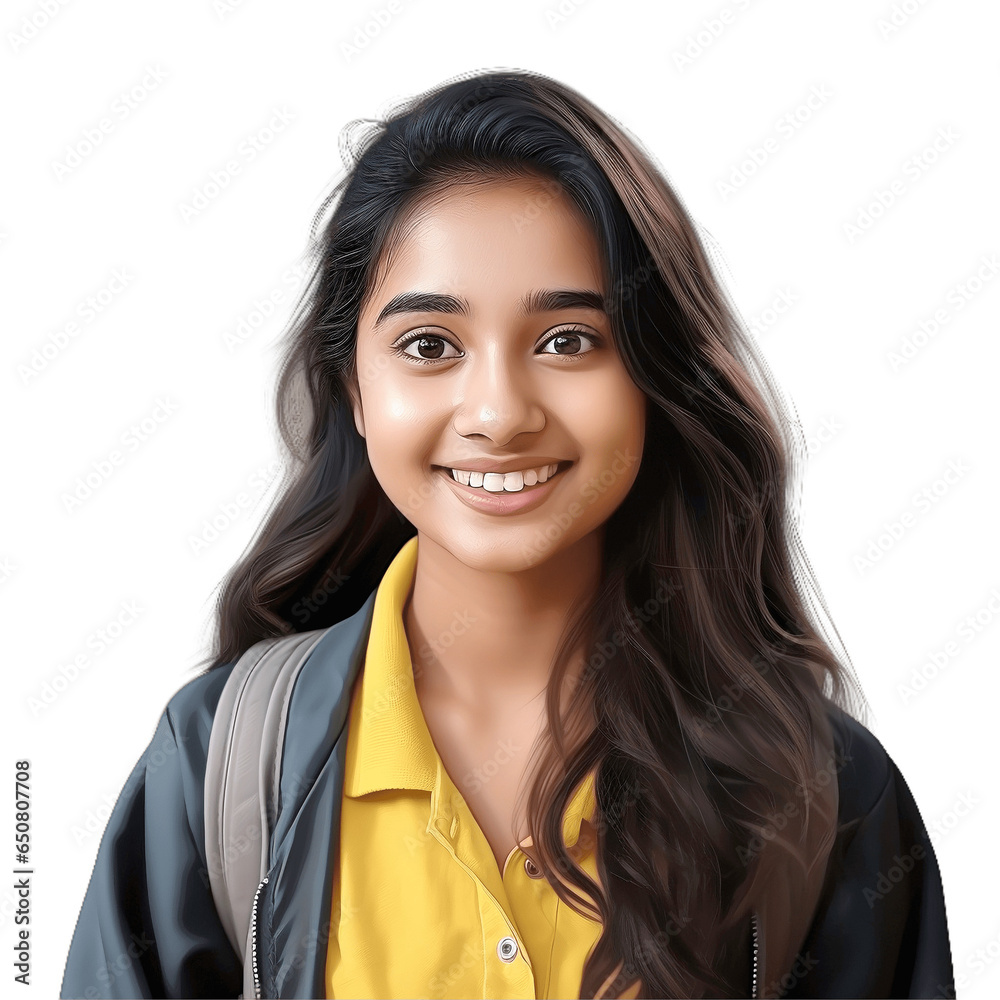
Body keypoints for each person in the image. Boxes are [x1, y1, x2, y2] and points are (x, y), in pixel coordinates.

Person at [60, 69, 955, 999]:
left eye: (568, 339)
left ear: (656, 378)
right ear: (353, 388)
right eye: (429, 346)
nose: (497, 413)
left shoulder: (820, 793)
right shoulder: (219, 765)